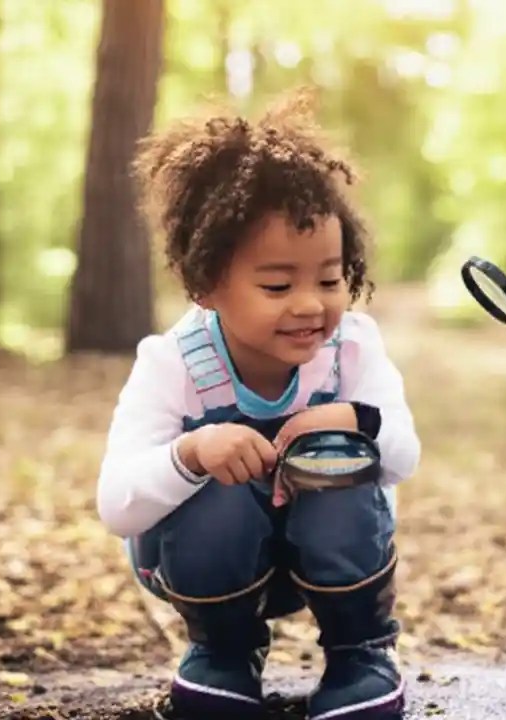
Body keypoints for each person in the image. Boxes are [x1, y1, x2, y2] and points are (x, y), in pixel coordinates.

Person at [95, 92, 420, 720]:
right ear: (206, 283)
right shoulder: (174, 364)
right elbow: (117, 504)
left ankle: (361, 654)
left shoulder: (351, 348)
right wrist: (191, 454)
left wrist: (353, 421)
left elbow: (404, 455)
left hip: (328, 560)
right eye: (277, 284)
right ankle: (222, 656)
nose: (308, 304)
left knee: (342, 457)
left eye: (329, 279)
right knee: (210, 482)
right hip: (205, 566)